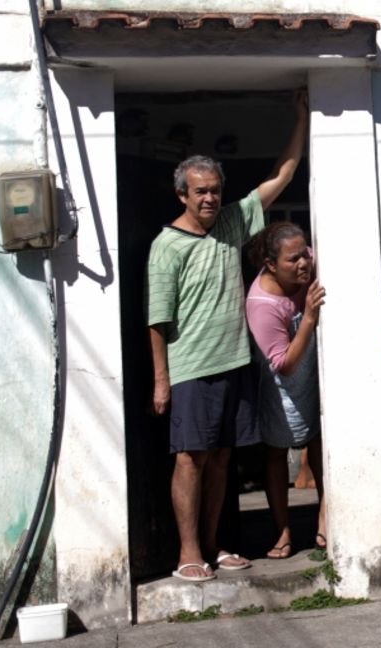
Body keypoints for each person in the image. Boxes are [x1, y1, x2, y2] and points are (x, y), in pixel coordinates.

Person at [145, 90, 308, 582]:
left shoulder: (231, 224)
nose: (210, 197)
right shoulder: (167, 247)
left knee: (221, 462)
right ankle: (188, 553)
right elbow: (157, 319)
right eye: (200, 191)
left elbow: (281, 177)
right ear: (182, 195)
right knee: (190, 461)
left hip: (235, 362)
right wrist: (161, 380)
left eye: (215, 189)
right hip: (192, 369)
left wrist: (300, 114)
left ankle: (215, 547)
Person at [246, 222, 327, 559]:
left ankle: (325, 520)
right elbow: (286, 364)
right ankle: (283, 532)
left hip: (315, 374)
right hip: (283, 385)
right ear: (271, 265)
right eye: (293, 259)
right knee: (277, 452)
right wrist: (307, 316)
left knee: (321, 442)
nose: (304, 264)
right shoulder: (262, 305)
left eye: (305, 253)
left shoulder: (305, 271)